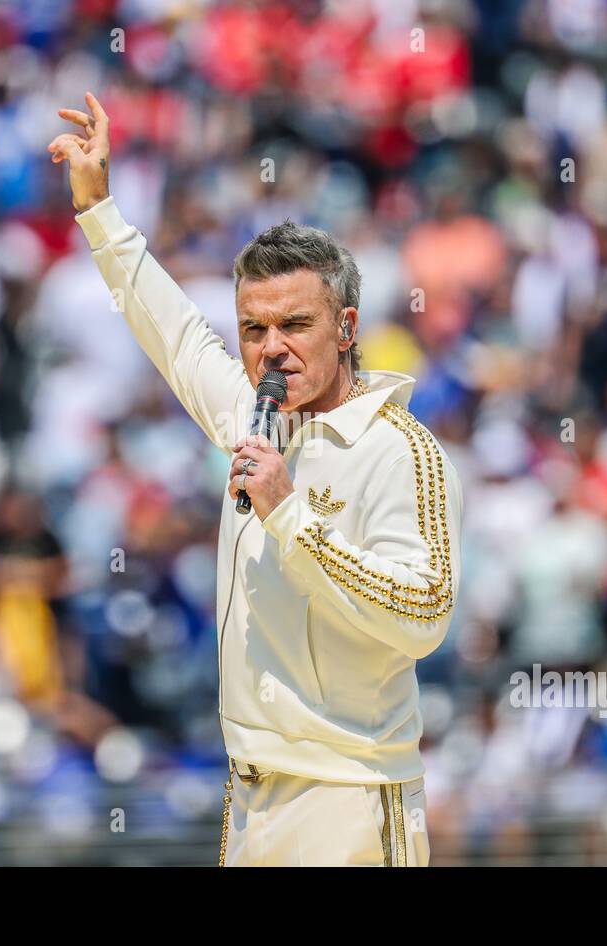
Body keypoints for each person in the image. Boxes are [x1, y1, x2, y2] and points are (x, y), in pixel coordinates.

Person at [49, 93, 463, 866]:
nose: (271, 349)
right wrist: (99, 208)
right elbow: (171, 334)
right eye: (252, 328)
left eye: (295, 326)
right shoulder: (254, 414)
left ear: (345, 328)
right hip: (250, 794)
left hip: (349, 793)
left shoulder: (399, 449)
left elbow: (425, 612)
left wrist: (289, 516)